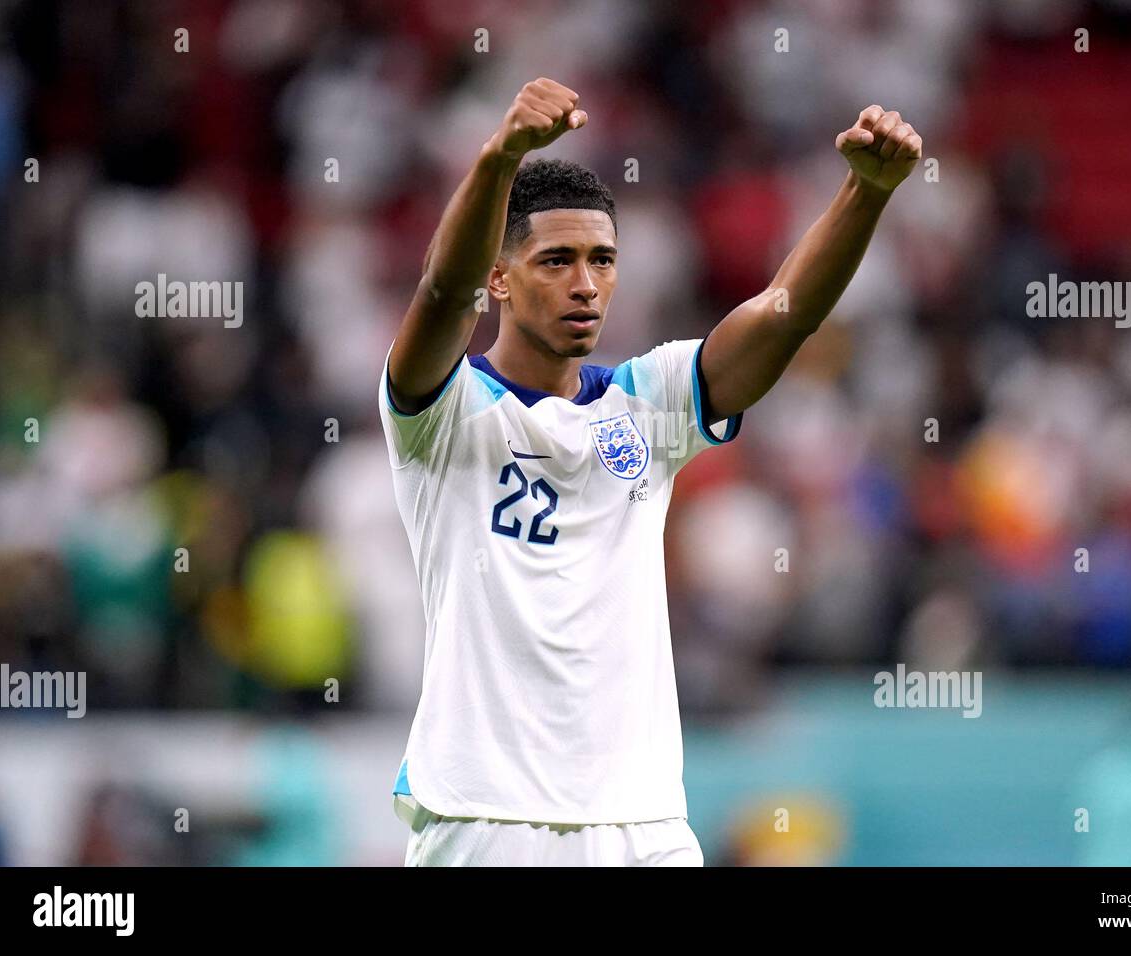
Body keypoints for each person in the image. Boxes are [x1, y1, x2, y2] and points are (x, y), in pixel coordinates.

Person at [380, 77, 921, 866]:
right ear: (499, 279)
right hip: (486, 819)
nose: (586, 284)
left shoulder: (649, 404)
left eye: (602, 260)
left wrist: (864, 194)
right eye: (556, 260)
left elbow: (786, 312)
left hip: (645, 828)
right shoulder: (442, 412)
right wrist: (498, 161)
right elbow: (439, 291)